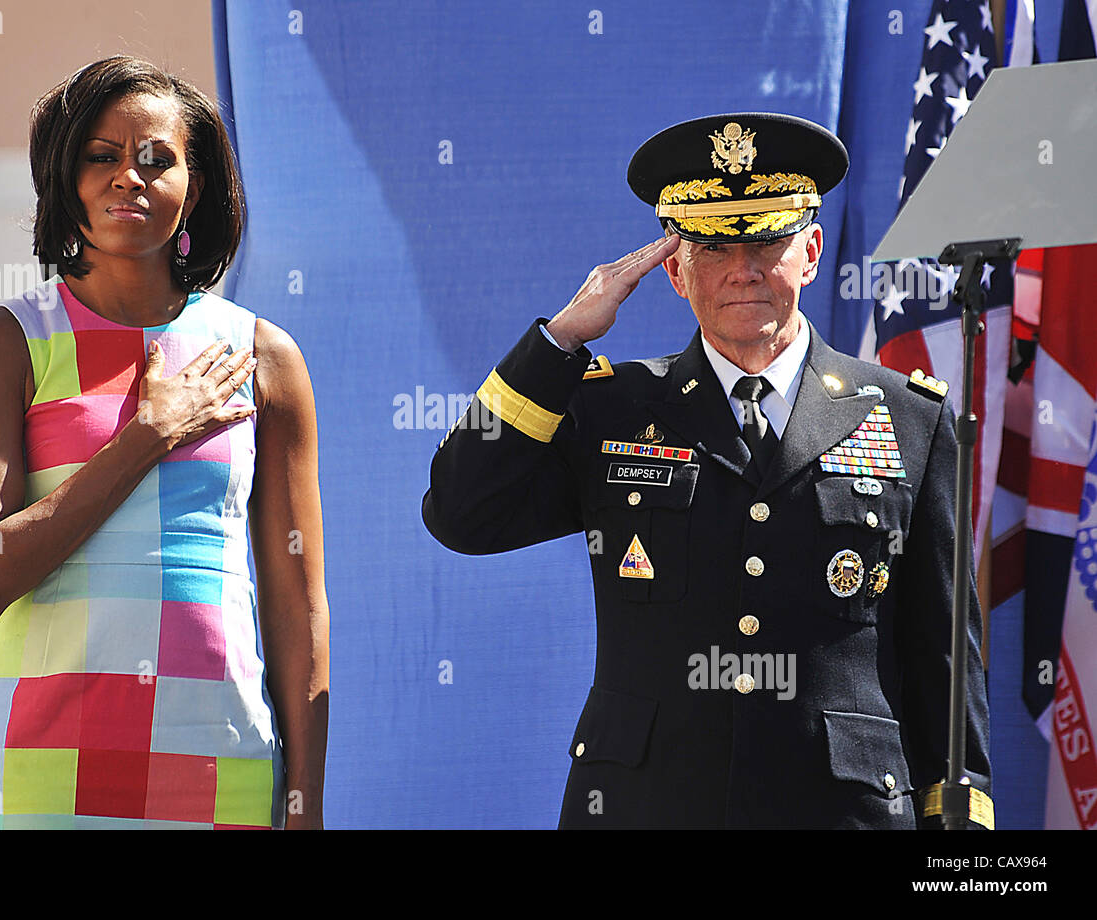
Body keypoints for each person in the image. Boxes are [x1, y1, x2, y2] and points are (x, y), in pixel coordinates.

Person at [421, 112, 992, 829]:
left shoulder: (911, 418)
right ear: (674, 270)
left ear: (811, 252)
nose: (744, 269)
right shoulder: (613, 410)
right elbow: (459, 511)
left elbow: (944, 661)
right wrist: (557, 342)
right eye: (715, 245)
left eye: (769, 240)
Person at [0, 56, 329, 829]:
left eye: (157, 158)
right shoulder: (4, 344)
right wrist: (147, 434)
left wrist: (304, 801)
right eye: (102, 156)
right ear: (64, 178)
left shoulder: (262, 355)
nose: (129, 177)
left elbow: (297, 605)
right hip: (30, 778)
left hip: (220, 766)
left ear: (198, 185)